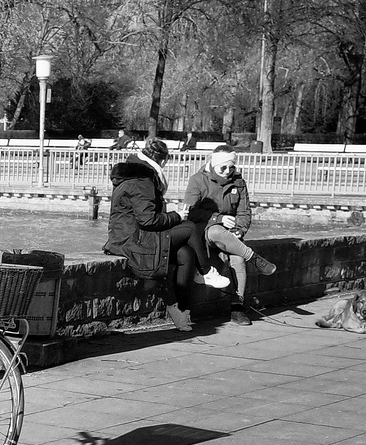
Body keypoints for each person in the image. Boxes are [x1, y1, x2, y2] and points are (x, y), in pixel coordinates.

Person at [104, 137, 230, 332]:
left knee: (185, 253)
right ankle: (206, 271)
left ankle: (180, 310)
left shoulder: (135, 176)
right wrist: (176, 215)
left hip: (129, 236)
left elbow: (144, 216)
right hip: (133, 240)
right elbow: (148, 220)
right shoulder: (142, 181)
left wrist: (171, 215)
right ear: (161, 162)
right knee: (188, 227)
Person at [184, 145, 278, 326]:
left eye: (231, 167)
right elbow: (191, 213)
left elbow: (244, 212)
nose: (228, 171)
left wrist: (240, 230)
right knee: (216, 230)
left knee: (238, 259)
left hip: (229, 234)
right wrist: (217, 218)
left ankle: (238, 307)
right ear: (213, 164)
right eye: (223, 168)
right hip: (204, 232)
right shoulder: (197, 180)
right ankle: (255, 258)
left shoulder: (239, 183)